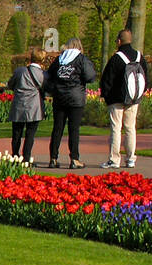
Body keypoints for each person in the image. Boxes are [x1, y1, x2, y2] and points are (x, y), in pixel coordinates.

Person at [99, 29, 148, 169]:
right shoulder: (139, 56)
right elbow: (145, 78)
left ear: (119, 41)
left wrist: (106, 97)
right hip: (133, 99)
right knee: (130, 128)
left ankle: (114, 160)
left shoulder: (116, 58)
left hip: (116, 100)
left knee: (116, 129)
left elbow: (107, 80)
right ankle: (131, 159)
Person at [44, 38, 96, 169]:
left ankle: (53, 158)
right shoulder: (81, 59)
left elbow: (48, 76)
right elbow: (90, 76)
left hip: (59, 97)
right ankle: (74, 158)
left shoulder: (59, 59)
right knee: (73, 130)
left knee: (57, 129)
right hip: (75, 98)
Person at [7, 49, 46, 166]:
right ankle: (26, 157)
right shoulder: (42, 74)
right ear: (42, 60)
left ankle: (15, 156)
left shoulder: (20, 71)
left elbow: (10, 84)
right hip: (34, 107)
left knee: (16, 133)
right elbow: (45, 89)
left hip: (19, 104)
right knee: (30, 134)